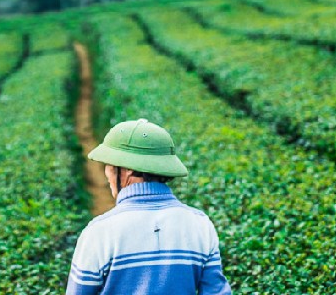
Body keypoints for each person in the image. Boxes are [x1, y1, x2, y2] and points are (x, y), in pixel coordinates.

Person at [66, 118, 232, 295]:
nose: (106, 172)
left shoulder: (98, 232)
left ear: (127, 169)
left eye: (109, 165)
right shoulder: (200, 224)